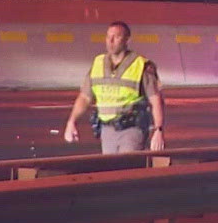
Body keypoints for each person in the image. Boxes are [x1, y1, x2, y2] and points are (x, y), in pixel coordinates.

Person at [63, 21, 165, 152]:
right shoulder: (98, 63)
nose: (110, 41)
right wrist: (71, 121)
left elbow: (156, 100)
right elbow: (84, 97)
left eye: (116, 37)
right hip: (107, 131)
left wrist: (159, 130)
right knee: (111, 169)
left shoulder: (141, 65)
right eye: (108, 36)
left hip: (132, 129)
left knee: (127, 168)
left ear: (127, 39)